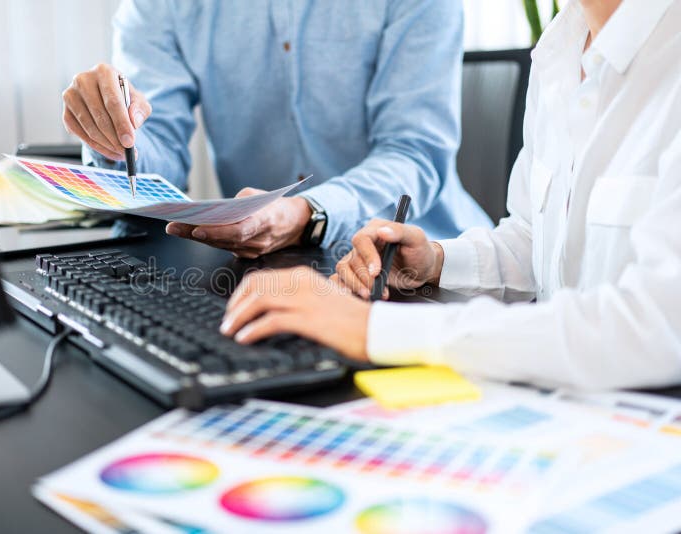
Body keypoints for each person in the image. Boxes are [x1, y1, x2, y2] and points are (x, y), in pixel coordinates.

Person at [220, 0, 681, 390]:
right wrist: (437, 263)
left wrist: (372, 329)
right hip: (556, 407)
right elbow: (538, 244)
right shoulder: (564, 44)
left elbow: (654, 324)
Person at [61, 0, 490, 259]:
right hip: (265, 266)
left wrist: (308, 214)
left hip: (422, 263)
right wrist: (115, 139)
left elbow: (413, 152)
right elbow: (160, 161)